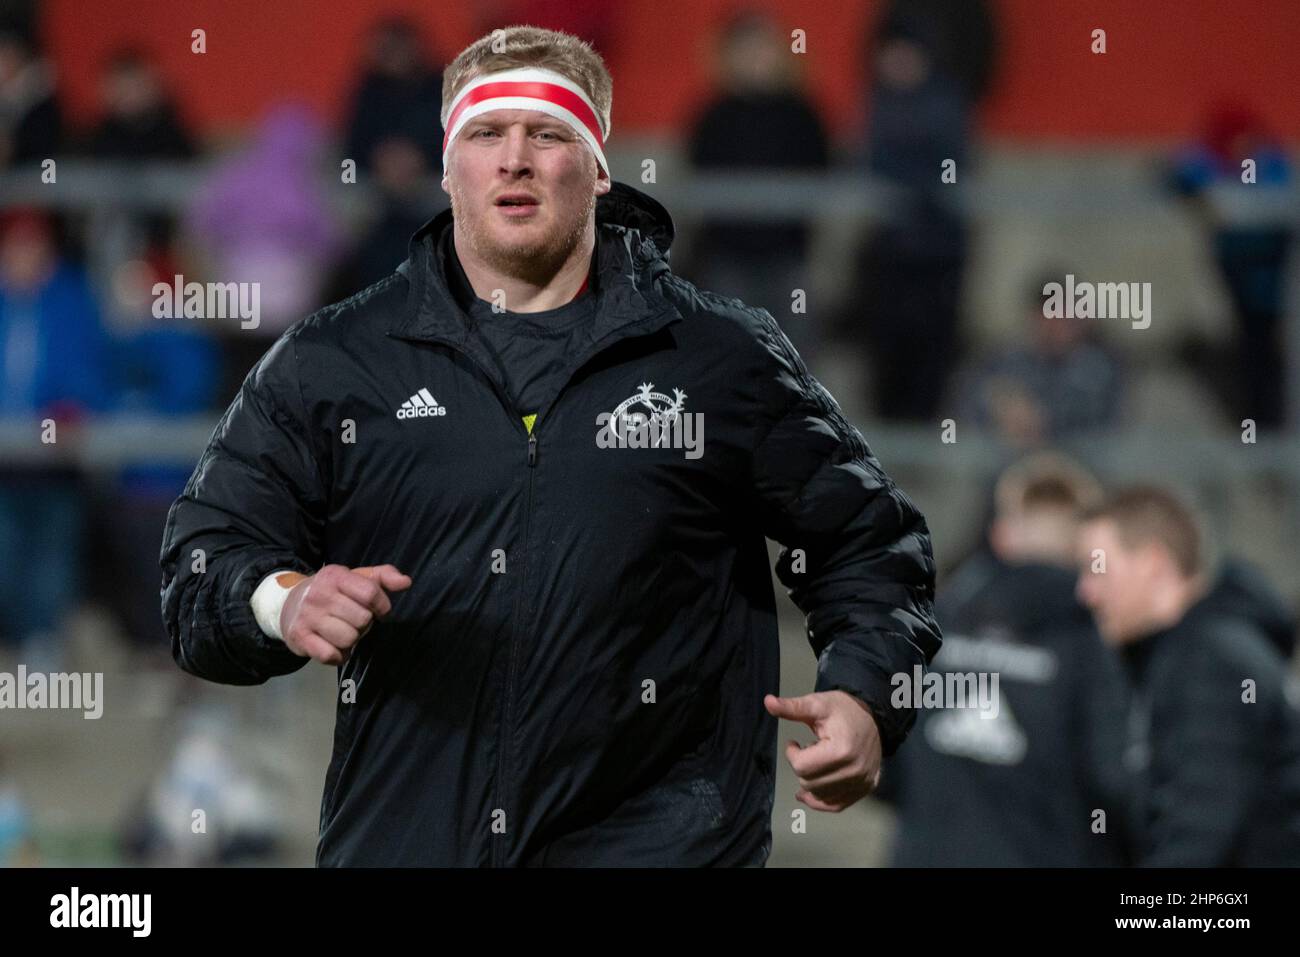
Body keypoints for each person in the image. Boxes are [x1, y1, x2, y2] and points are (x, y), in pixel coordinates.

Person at [160, 25, 941, 867]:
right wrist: (285, 600)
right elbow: (203, 562)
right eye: (487, 134)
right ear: (450, 165)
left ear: (599, 169)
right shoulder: (334, 361)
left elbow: (870, 543)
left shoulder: (717, 357)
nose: (516, 158)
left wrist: (865, 694)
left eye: (549, 132)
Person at [878, 452, 1129, 866]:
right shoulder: (1094, 643)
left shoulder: (931, 623)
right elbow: (1113, 783)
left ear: (1001, 535)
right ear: (1085, 545)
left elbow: (885, 769)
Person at [1075, 486, 1300, 866]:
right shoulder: (1182, 652)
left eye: (1096, 567)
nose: (1085, 591)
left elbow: (1198, 838)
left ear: (1152, 563)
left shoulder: (1211, 663)